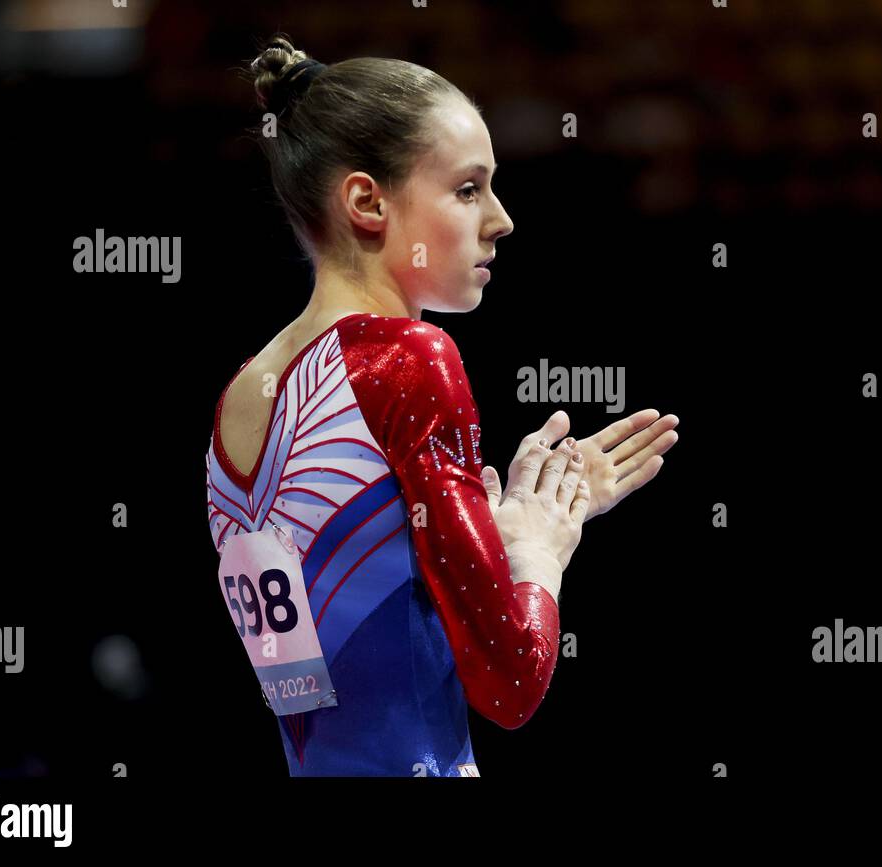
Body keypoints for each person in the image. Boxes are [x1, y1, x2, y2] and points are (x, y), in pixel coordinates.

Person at [205, 36, 679, 776]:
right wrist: (537, 551)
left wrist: (495, 528)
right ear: (367, 200)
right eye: (467, 190)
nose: (501, 219)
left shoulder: (243, 394)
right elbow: (510, 683)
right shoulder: (408, 361)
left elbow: (330, 664)